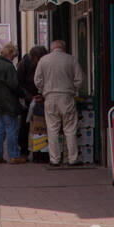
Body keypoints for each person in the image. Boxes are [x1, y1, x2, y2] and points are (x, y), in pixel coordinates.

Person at [34, 39, 84, 169]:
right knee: (70, 128)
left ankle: (54, 159)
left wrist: (43, 89)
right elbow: (80, 79)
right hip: (67, 96)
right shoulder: (71, 59)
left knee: (52, 129)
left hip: (50, 97)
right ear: (63, 48)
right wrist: (73, 88)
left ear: (52, 48)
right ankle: (72, 158)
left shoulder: (43, 60)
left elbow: (37, 80)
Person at [0, 41, 23, 164]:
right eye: (14, 56)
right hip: (8, 102)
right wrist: (23, 95)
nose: (14, 59)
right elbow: (14, 85)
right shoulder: (9, 67)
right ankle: (14, 155)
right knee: (11, 128)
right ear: (10, 54)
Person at [17, 44, 47, 161]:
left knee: (41, 126)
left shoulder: (45, 64)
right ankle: (24, 151)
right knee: (25, 125)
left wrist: (43, 95)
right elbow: (18, 83)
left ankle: (41, 151)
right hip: (28, 99)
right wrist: (29, 97)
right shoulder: (25, 64)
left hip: (43, 97)